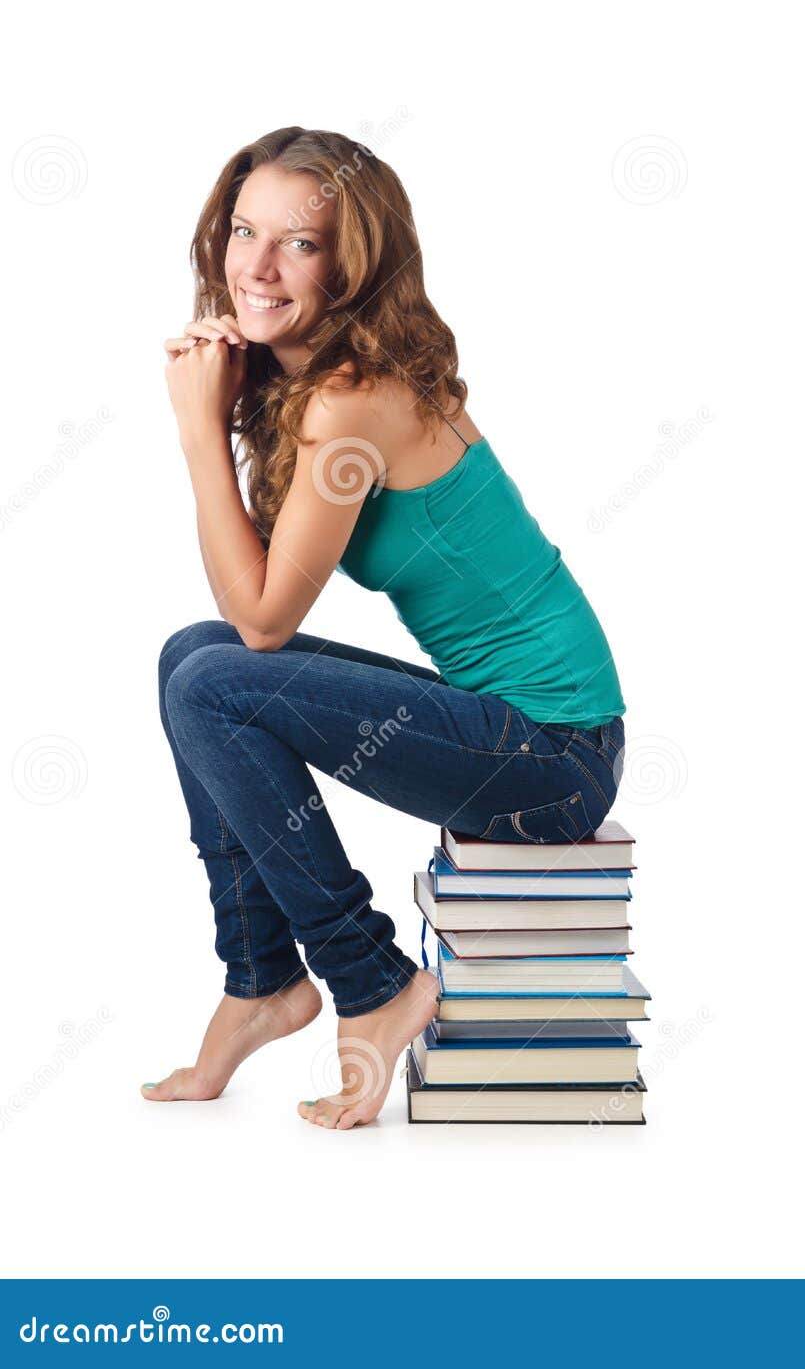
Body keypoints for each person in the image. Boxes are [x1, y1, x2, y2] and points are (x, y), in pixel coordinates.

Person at [147, 127, 626, 1130]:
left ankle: (369, 982)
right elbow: (245, 602)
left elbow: (264, 620)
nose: (258, 267)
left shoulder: (352, 402)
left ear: (354, 264)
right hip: (508, 728)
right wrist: (225, 410)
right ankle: (261, 978)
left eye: (300, 243)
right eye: (244, 231)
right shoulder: (326, 384)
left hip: (555, 757)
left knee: (214, 676)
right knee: (192, 654)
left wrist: (197, 435)